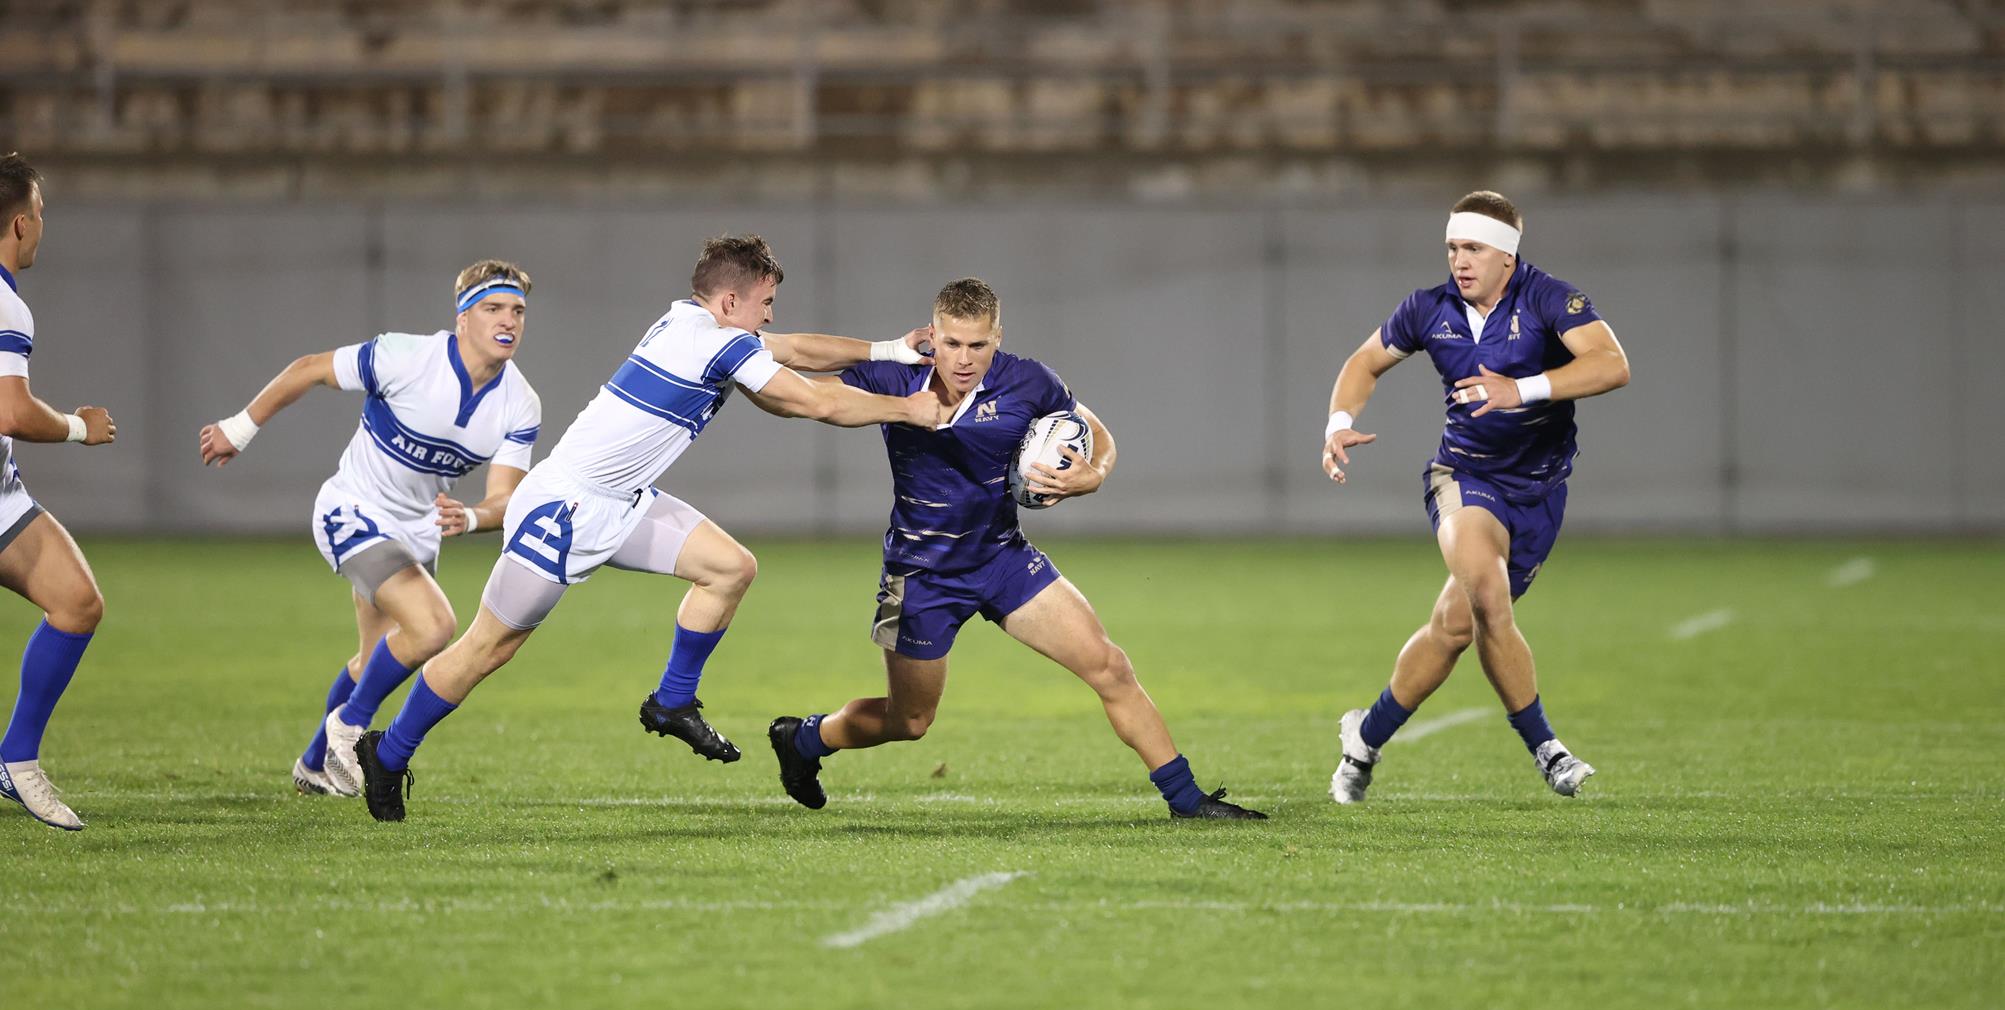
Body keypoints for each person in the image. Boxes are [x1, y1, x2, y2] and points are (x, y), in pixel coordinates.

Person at [349, 234, 945, 821]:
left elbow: (792, 348)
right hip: (563, 510)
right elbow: (814, 401)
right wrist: (909, 410)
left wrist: (891, 350)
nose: (769, 314)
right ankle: (388, 751)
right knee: (487, 648)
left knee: (729, 568)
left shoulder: (694, 322)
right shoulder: (716, 342)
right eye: (765, 302)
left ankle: (672, 701)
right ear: (730, 302)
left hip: (621, 501)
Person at [768, 277, 1265, 821]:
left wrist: (1094, 474)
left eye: (977, 345)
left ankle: (1188, 801)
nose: (963, 359)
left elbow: (1096, 432)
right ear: (932, 335)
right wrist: (735, 356)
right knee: (909, 721)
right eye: (952, 343)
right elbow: (799, 393)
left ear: (997, 338)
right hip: (920, 575)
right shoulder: (895, 374)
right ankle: (804, 740)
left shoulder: (1028, 381)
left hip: (1002, 559)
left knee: (1110, 666)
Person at [1319, 190, 1630, 802]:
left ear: (1507, 256)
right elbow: (1364, 362)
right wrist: (1337, 423)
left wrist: (1523, 388)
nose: (1459, 261)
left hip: (1539, 491)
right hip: (1464, 476)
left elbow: (1611, 364)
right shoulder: (1428, 308)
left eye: (1474, 249)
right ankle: (1548, 749)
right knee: (1489, 598)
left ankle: (1364, 738)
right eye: (1453, 248)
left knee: (1452, 628)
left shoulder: (1548, 298)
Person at [199, 260, 541, 798]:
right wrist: (239, 428)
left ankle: (314, 765)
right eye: (493, 308)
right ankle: (350, 725)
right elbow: (309, 368)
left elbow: (506, 498)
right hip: (353, 509)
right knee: (433, 627)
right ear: (462, 318)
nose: (508, 320)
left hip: (418, 532)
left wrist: (474, 516)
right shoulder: (405, 357)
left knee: (375, 657)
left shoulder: (519, 403)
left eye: (517, 310)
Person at [0, 153, 118, 831]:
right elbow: (11, 411)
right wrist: (79, 426)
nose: (44, 224)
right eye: (41, 212)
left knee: (76, 600)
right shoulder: (6, 304)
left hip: (3, 498)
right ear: (20, 224)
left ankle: (15, 760)